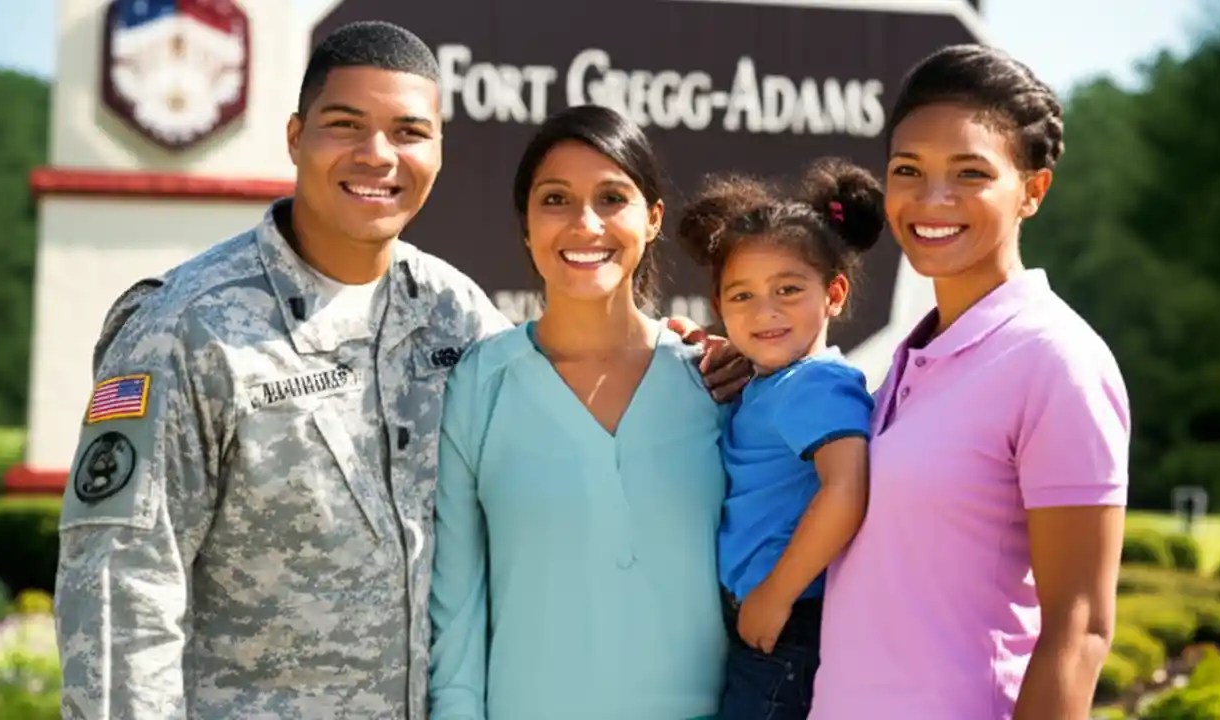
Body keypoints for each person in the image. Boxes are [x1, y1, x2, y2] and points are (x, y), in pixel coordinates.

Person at [53, 22, 740, 719]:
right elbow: (119, 592)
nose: (377, 155)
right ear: (295, 136)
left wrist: (687, 353)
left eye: (409, 131)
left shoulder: (452, 311)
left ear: (439, 150)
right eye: (346, 125)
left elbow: (568, 383)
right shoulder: (183, 328)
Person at [809, 44, 1130, 720]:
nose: (932, 200)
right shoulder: (909, 358)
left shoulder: (1055, 359)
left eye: (970, 172)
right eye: (908, 170)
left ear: (1032, 191)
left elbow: (1081, 627)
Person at [427, 104, 729, 720]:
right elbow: (456, 614)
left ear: (652, 220)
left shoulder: (713, 381)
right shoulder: (480, 385)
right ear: (527, 225)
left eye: (612, 197)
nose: (584, 223)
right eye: (556, 199)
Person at [675, 158, 878, 720]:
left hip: (788, 626)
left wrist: (776, 595)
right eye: (741, 297)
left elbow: (846, 489)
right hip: (762, 622)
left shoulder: (816, 385)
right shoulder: (774, 380)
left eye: (788, 290)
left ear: (833, 293)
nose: (765, 312)